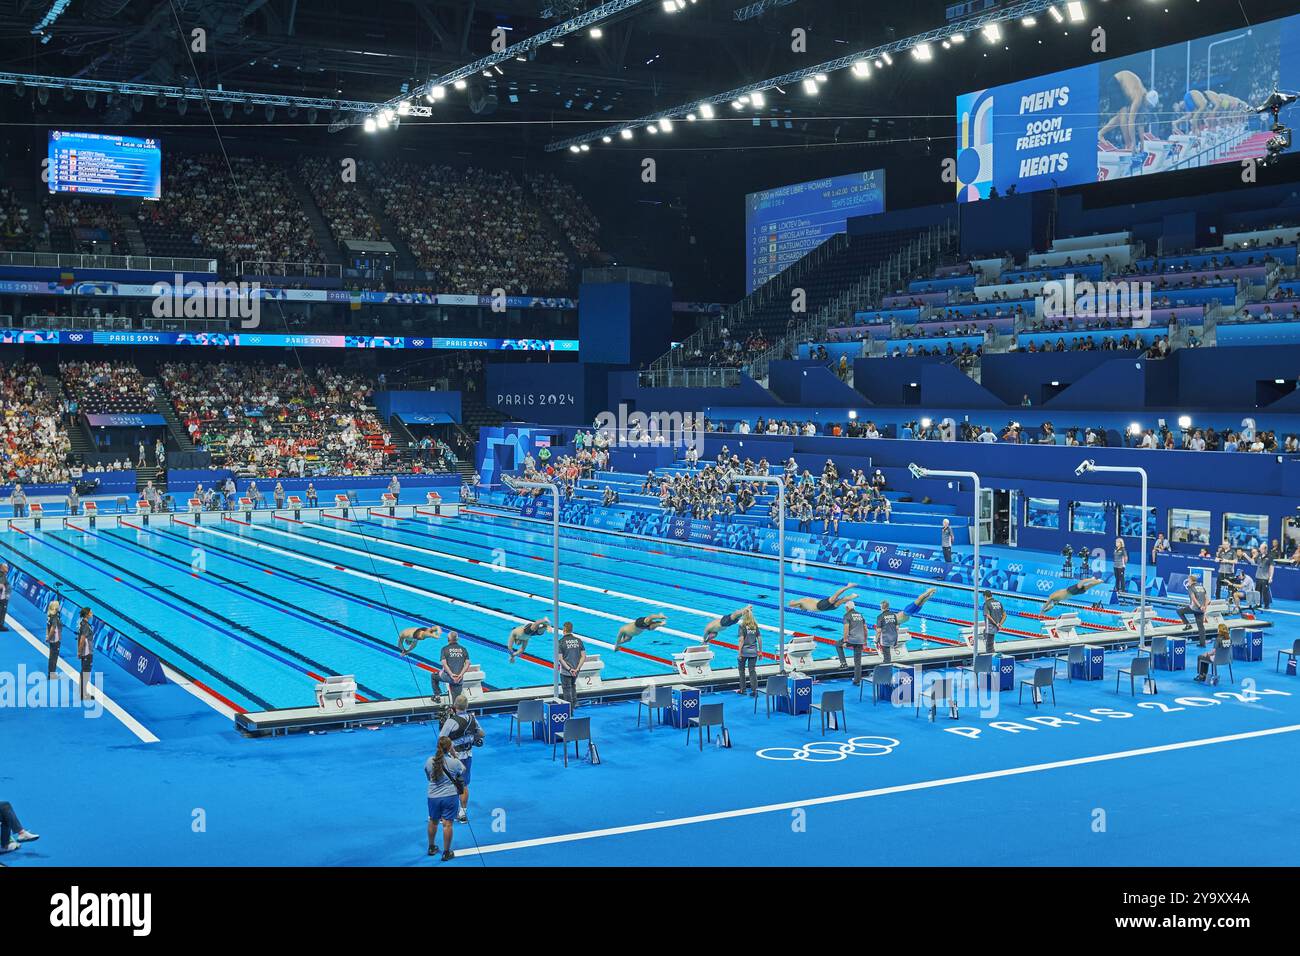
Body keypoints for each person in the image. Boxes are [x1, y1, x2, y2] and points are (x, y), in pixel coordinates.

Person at [438, 695, 483, 824]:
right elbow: (481, 733)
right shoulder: (472, 718)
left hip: (454, 757)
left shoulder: (452, 721)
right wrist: (469, 734)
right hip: (468, 755)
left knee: (448, 784)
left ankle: (447, 815)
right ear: (467, 706)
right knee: (464, 785)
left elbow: (441, 739)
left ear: (454, 706)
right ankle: (462, 814)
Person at [424, 737, 466, 861]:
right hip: (450, 796)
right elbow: (463, 770)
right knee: (447, 825)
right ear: (449, 748)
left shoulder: (429, 761)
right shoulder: (454, 762)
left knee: (433, 821)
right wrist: (454, 755)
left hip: (433, 796)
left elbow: (428, 776)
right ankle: (446, 852)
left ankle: (431, 847)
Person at [874, 588, 938, 666]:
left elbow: (886, 629)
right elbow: (895, 627)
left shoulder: (885, 618)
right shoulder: (892, 616)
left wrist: (878, 638)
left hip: (906, 613)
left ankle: (928, 592)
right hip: (907, 613)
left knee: (920, 601)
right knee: (921, 602)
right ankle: (930, 594)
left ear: (882, 608)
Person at [556, 622, 586, 708]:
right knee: (573, 685)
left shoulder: (561, 642)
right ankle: (575, 703)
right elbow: (583, 656)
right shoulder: (578, 641)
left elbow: (560, 659)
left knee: (567, 689)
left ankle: (569, 709)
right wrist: (577, 669)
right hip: (576, 671)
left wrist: (570, 669)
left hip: (566, 671)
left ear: (564, 630)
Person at [435, 631, 470, 702]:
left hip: (448, 677)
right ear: (457, 639)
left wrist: (451, 675)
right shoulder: (463, 649)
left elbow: (444, 664)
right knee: (456, 701)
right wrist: (460, 675)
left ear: (448, 639)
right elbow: (467, 664)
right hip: (459, 680)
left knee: (433, 676)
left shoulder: (445, 649)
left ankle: (437, 696)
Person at [735, 608, 762, 696]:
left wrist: (739, 653)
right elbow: (759, 639)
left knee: (741, 671)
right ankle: (755, 691)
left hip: (744, 652)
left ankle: (743, 690)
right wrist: (760, 651)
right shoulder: (754, 626)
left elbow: (741, 640)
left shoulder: (742, 626)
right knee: (752, 671)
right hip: (753, 652)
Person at [1178, 574, 1211, 647]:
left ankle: (1188, 624)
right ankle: (1203, 644)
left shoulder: (1191, 587)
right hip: (1201, 610)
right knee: (1201, 627)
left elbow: (1193, 598)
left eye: (1188, 580)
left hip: (1194, 608)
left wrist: (1199, 606)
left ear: (1191, 580)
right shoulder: (1201, 587)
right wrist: (1204, 607)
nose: (1188, 581)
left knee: (1179, 611)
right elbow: (1207, 599)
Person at [788, 584, 858, 613]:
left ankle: (849, 588)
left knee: (837, 598)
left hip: (821, 606)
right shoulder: (803, 602)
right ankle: (853, 595)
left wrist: (792, 602)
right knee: (839, 599)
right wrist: (795, 605)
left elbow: (790, 604)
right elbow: (802, 609)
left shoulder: (801, 601)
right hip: (821, 606)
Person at [980, 589, 1006, 654]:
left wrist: (996, 624)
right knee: (988, 639)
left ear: (985, 596)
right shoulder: (998, 602)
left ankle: (990, 659)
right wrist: (1000, 624)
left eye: (984, 597)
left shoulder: (986, 604)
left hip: (990, 626)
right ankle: (992, 655)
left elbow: (988, 616)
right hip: (996, 627)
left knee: (989, 646)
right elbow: (1005, 615)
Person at [76, 606, 94, 699]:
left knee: (84, 672)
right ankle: (83, 694)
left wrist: (79, 651)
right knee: (85, 673)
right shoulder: (86, 626)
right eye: (91, 612)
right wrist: (79, 651)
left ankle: (83, 692)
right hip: (87, 652)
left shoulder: (82, 623)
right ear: (87, 614)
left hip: (85, 651)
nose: (92, 613)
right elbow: (82, 639)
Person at [45, 600, 62, 679]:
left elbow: (47, 627)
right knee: (54, 658)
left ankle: (50, 673)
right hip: (55, 640)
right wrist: (48, 638)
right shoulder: (54, 618)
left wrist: (47, 636)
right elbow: (52, 629)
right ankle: (52, 674)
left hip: (52, 640)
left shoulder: (49, 615)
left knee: (51, 656)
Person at [0, 563, 9, 631]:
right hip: (2, 598)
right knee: (2, 611)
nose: (7, 568)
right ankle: (0, 625)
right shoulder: (2, 576)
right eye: (6, 567)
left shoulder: (3, 575)